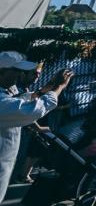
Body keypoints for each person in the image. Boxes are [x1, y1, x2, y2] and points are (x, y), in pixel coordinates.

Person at [1, 52, 70, 203]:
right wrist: (58, 88)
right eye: (17, 71)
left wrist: (46, 88)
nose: (20, 75)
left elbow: (19, 100)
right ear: (2, 72)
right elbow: (33, 109)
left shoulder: (6, 92)